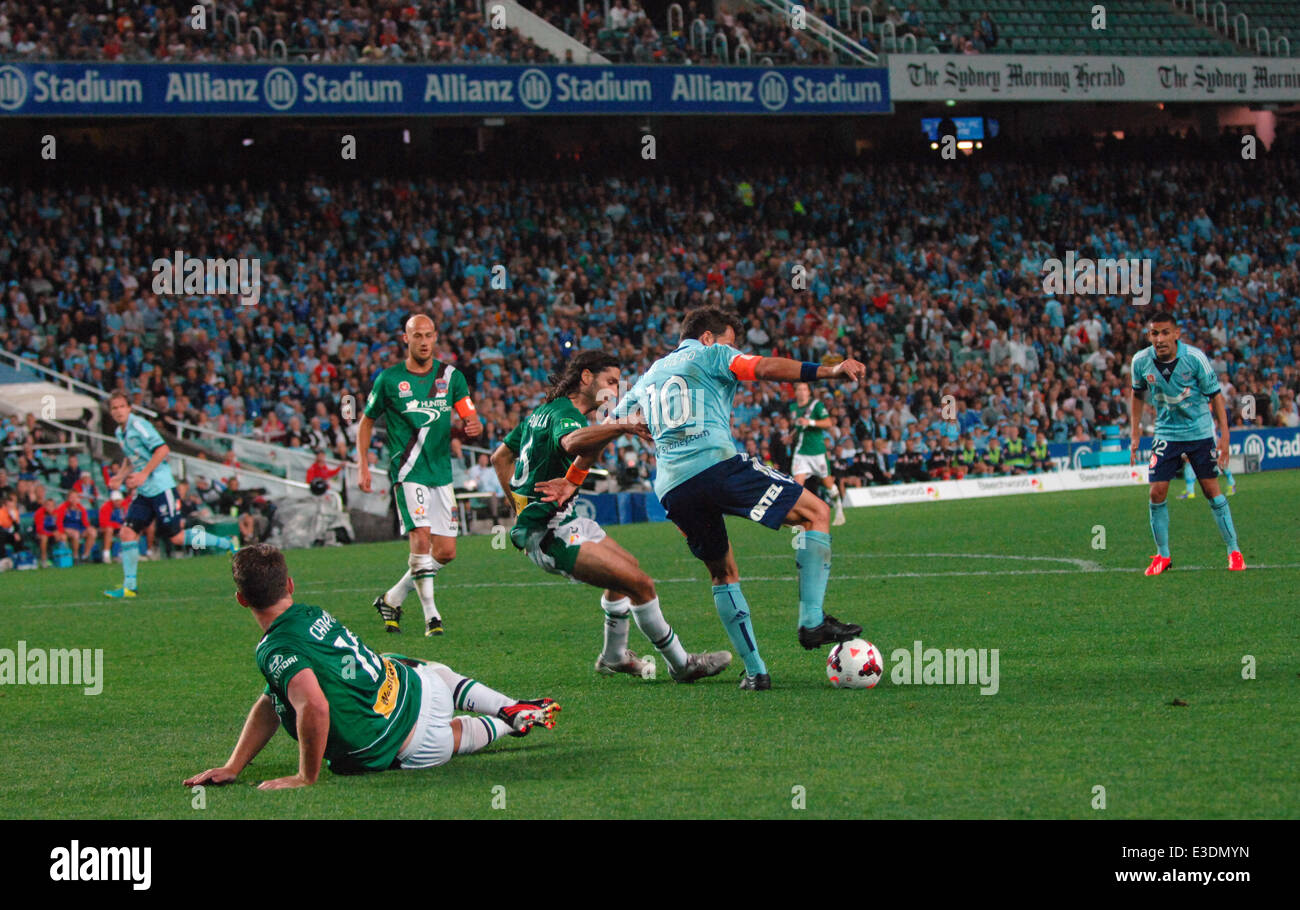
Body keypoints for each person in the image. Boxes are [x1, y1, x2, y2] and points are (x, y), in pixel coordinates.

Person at [540, 306, 865, 691]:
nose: (734, 350)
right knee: (817, 513)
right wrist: (827, 371)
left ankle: (757, 672)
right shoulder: (713, 353)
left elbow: (606, 430)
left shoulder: (646, 378)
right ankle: (812, 620)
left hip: (673, 490)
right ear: (709, 336)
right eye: (731, 342)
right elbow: (763, 368)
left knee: (722, 573)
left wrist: (572, 479)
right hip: (717, 466)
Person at [183, 545, 558, 790]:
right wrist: (235, 764)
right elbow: (275, 698)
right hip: (425, 689)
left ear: (240, 599)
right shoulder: (312, 614)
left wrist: (304, 776)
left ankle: (505, 725)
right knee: (400, 663)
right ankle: (508, 709)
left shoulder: (275, 648)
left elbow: (313, 705)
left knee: (449, 736)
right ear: (290, 585)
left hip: (413, 748)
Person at [490, 350, 732, 683]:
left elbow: (499, 456)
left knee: (627, 572)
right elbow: (572, 442)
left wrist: (516, 507)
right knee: (641, 585)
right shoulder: (567, 415)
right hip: (549, 534)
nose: (615, 391)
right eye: (611, 382)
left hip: (565, 522)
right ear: (585, 377)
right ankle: (682, 664)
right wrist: (623, 425)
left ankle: (614, 656)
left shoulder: (541, 413)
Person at [359, 314, 482, 636]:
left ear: (435, 338)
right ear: (406, 339)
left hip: (441, 472)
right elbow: (366, 420)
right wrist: (362, 465)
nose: (424, 342)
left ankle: (392, 598)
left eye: (429, 335)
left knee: (446, 552)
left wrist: (474, 425)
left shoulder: (451, 376)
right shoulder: (388, 380)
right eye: (418, 336)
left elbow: (469, 414)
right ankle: (432, 617)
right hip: (408, 470)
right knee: (421, 538)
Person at [1129, 311, 1244, 575]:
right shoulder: (1140, 361)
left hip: (1199, 432)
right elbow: (1137, 396)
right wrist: (1134, 433)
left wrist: (1224, 436)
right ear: (1149, 336)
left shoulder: (1194, 359)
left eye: (1165, 332)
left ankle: (1234, 551)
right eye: (1154, 333)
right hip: (1166, 433)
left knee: (1211, 490)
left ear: (1176, 334)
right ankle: (1163, 555)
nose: (1160, 339)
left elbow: (1216, 397)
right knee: (1156, 492)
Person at [103, 392, 237, 598]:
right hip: (145, 492)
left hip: (162, 488)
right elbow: (131, 458)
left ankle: (226, 543)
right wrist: (120, 477)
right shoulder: (121, 433)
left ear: (129, 408)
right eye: (114, 408)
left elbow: (163, 449)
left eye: (122, 406)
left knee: (176, 537)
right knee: (127, 533)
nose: (118, 411)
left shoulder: (139, 425)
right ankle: (130, 587)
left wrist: (143, 474)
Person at [788, 382, 846, 525]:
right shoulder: (793, 408)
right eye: (799, 389)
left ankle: (839, 509)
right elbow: (799, 426)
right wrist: (791, 435)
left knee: (827, 483)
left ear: (809, 392)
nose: (801, 392)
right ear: (795, 393)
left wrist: (810, 422)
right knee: (796, 486)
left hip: (817, 452)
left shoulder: (817, 406)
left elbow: (828, 423)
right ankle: (797, 518)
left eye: (804, 389)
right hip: (801, 452)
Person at [56, 488, 94, 562]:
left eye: (75, 497)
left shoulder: (81, 509)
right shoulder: (63, 508)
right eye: (71, 497)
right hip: (67, 528)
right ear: (68, 499)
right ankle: (75, 556)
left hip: (79, 528)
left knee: (92, 532)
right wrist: (61, 531)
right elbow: (59, 522)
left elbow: (85, 522)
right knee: (75, 534)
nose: (74, 499)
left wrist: (88, 527)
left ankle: (85, 555)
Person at [98, 489, 128, 564]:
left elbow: (127, 518)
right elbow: (104, 523)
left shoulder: (124, 506)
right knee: (109, 530)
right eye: (116, 501)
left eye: (119, 500)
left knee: (131, 529)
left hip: (119, 527)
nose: (118, 502)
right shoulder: (106, 507)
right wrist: (118, 526)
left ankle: (124, 554)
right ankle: (106, 555)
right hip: (106, 528)